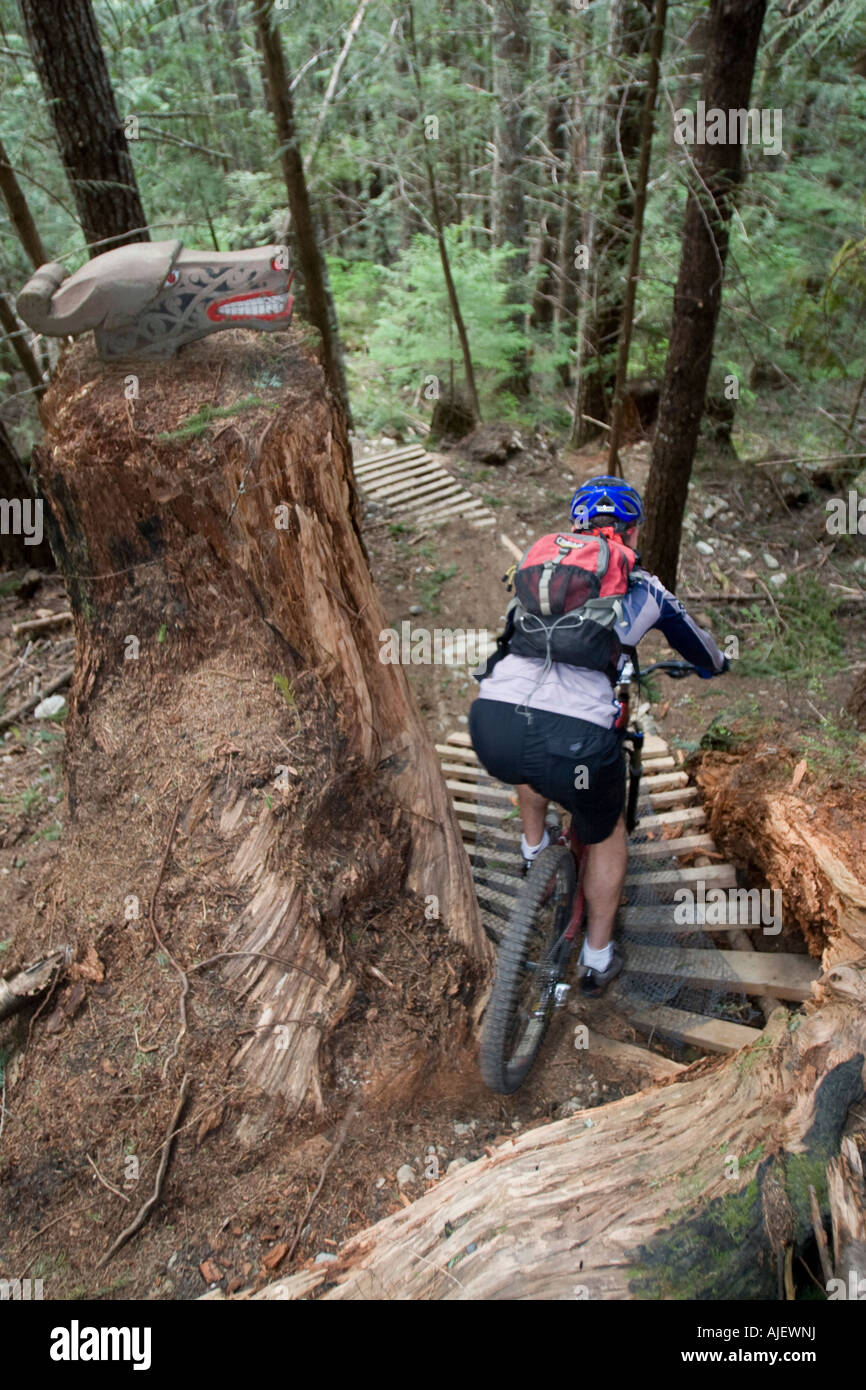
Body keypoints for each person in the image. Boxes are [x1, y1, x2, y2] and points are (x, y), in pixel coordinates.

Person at [469, 475, 728, 997]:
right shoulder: (644, 587)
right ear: (630, 533)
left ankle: (531, 846)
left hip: (491, 720)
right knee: (605, 828)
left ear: (574, 528)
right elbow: (701, 650)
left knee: (530, 754)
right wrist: (714, 664)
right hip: (577, 738)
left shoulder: (538, 571)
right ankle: (597, 957)